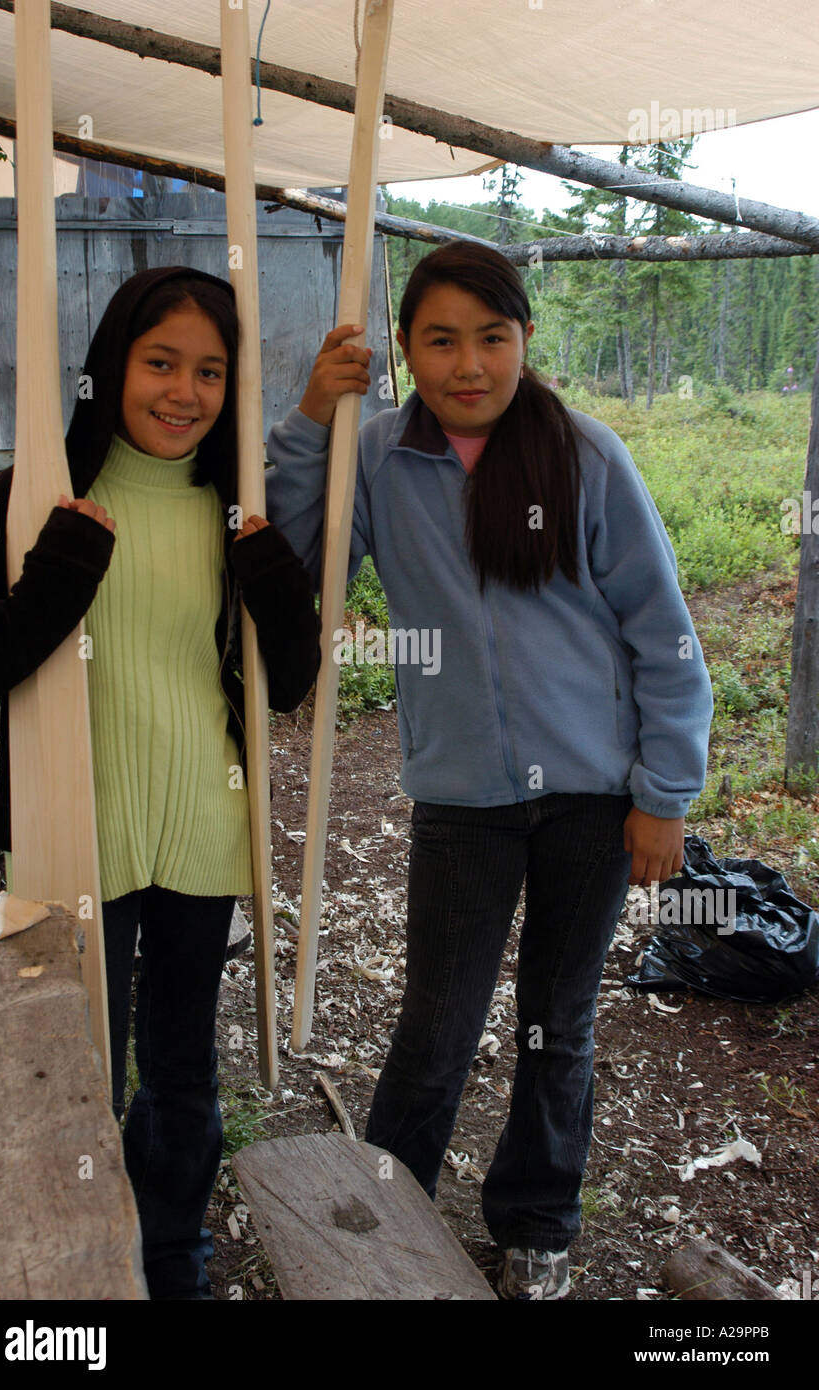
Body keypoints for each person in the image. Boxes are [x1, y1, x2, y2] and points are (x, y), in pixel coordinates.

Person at [264, 242, 713, 1301]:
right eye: (441, 341)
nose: (470, 365)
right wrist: (310, 420)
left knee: (558, 1024)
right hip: (463, 794)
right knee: (436, 1025)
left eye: (492, 338)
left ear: (524, 340)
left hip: (592, 798)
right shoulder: (377, 457)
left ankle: (536, 1224)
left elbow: (664, 634)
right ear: (407, 353)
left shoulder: (586, 457)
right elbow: (291, 557)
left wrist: (663, 796)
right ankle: (384, 1216)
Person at [0, 265, 321, 1300]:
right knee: (79, 1071)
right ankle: (81, 1267)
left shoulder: (232, 510)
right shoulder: (31, 499)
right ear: (113, 365)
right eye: (161, 362)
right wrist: (58, 577)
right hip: (79, 832)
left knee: (180, 1069)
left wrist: (278, 580)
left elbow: (287, 680)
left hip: (202, 829)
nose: (184, 390)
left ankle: (174, 1260)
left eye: (210, 370)